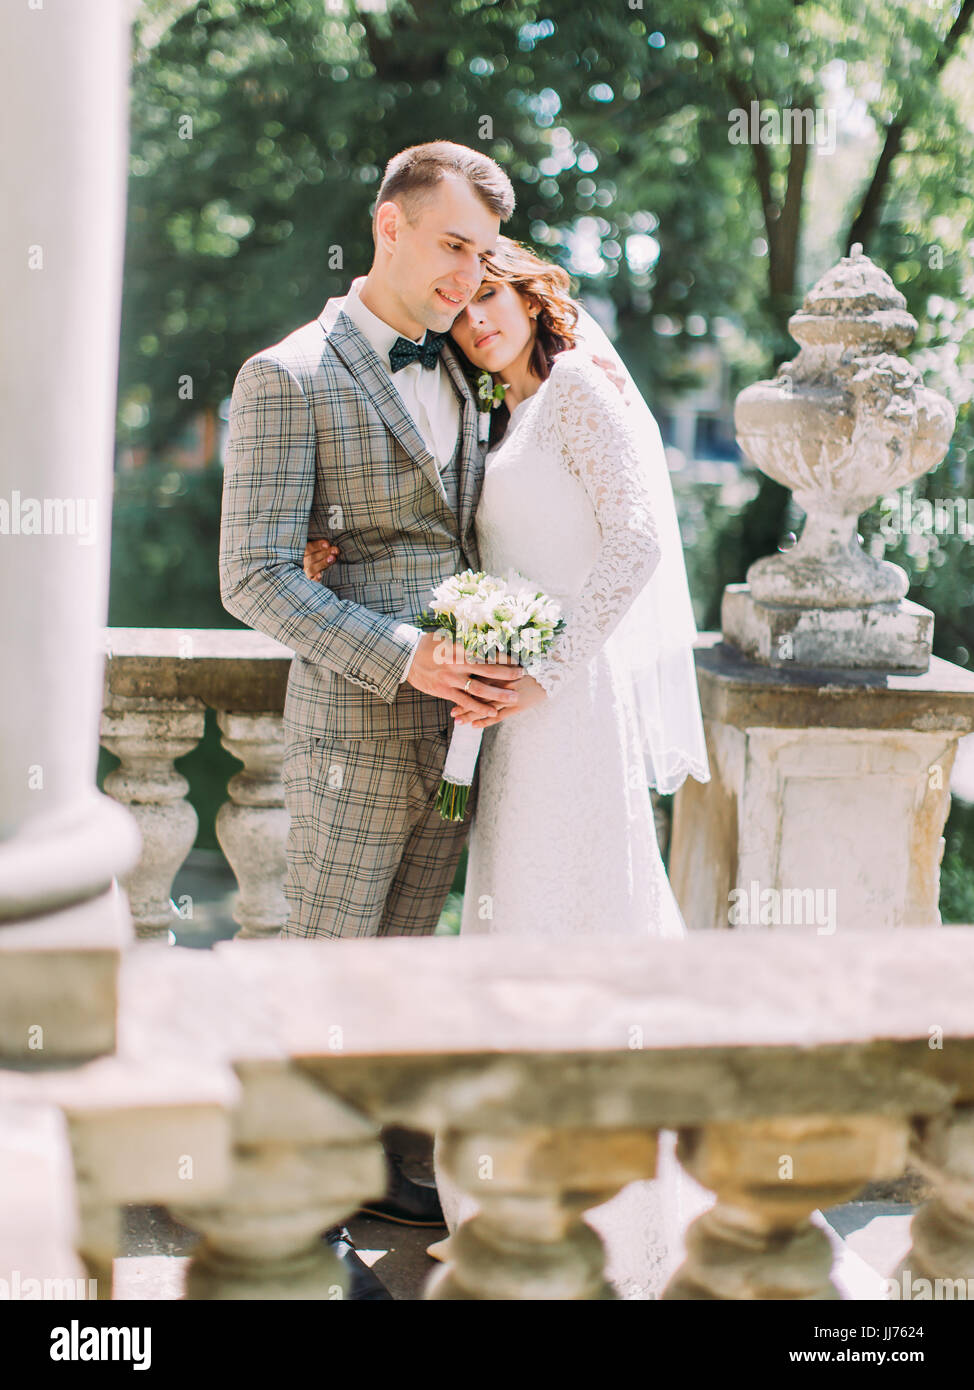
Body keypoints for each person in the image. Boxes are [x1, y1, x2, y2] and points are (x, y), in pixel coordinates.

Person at [304, 236, 713, 1297]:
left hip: (572, 711)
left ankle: (618, 1214)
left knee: (590, 934)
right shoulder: (500, 418)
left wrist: (547, 675)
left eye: (493, 295)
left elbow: (633, 546)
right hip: (507, 722)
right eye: (462, 307)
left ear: (531, 295)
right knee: (516, 932)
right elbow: (472, 556)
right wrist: (329, 553)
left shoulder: (578, 388)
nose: (477, 319)